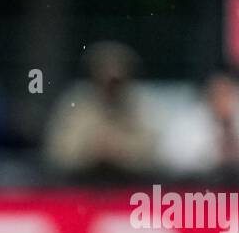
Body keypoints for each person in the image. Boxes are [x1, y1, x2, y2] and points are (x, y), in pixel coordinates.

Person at [44, 41, 157, 182]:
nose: (111, 86)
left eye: (117, 81)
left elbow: (154, 154)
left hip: (130, 187)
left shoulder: (141, 106)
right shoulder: (76, 105)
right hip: (82, 186)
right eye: (105, 75)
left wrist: (118, 151)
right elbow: (60, 153)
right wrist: (92, 150)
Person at [159, 71, 239, 182]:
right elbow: (170, 161)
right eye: (218, 93)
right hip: (199, 193)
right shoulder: (188, 122)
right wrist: (212, 153)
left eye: (229, 93)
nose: (224, 100)